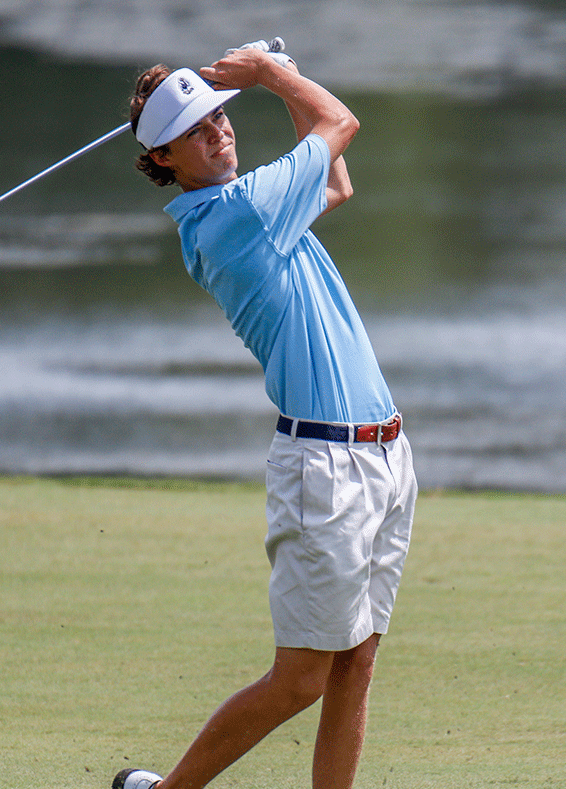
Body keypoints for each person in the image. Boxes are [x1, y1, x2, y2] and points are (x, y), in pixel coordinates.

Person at [111, 44, 417, 789]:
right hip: (325, 468)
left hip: (382, 455)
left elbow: (336, 180)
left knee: (357, 661)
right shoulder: (237, 217)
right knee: (302, 677)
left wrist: (275, 84)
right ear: (164, 155)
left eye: (219, 113)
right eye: (197, 126)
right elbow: (339, 122)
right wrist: (275, 75)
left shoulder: (256, 205)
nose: (219, 128)